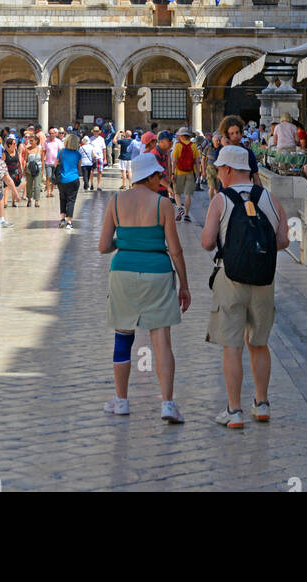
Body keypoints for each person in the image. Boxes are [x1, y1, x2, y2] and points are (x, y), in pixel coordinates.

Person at [201, 146, 289, 427]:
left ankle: (234, 410)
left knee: (232, 346)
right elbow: (284, 241)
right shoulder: (271, 200)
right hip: (264, 280)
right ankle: (262, 404)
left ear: (227, 170)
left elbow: (206, 242)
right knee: (259, 344)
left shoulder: (220, 201)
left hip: (231, 279)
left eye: (218, 170)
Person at [99, 152, 190, 422]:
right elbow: (175, 249)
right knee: (161, 341)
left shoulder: (115, 201)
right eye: (159, 176)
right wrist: (184, 285)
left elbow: (103, 246)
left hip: (123, 272)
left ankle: (121, 400)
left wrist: (125, 243)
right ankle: (167, 404)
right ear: (148, 177)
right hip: (158, 273)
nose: (161, 180)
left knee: (122, 338)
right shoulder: (163, 205)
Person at [219, 116, 261, 185]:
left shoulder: (248, 153)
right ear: (226, 135)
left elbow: (256, 176)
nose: (235, 136)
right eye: (232, 133)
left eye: (237, 132)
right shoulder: (221, 153)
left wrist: (260, 194)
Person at [56, 133, 82, 231]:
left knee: (62, 199)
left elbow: (56, 164)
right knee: (71, 201)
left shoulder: (61, 152)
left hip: (62, 179)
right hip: (73, 179)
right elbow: (79, 168)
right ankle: (69, 222)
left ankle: (62, 219)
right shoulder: (77, 154)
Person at [171, 128, 198, 222]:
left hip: (179, 172)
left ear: (182, 136)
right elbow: (196, 161)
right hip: (190, 173)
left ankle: (179, 208)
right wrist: (198, 173)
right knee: (187, 195)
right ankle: (186, 215)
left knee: (177, 193)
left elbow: (174, 160)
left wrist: (172, 173)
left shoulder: (178, 145)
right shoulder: (193, 146)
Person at [0, 135, 24, 215]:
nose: (15, 145)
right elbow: (1, 162)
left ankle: (13, 202)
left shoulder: (16, 151)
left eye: (15, 143)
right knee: (7, 186)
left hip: (15, 170)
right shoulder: (5, 153)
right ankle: (5, 202)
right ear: (9, 145)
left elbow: (19, 161)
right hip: (7, 171)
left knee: (15, 186)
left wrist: (21, 169)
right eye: (13, 143)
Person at [23, 133, 43, 207]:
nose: (30, 142)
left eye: (32, 140)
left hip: (38, 169)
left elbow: (42, 161)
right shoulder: (27, 150)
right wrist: (24, 169)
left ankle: (36, 201)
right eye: (29, 141)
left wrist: (43, 171)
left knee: (37, 185)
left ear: (36, 141)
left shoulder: (40, 150)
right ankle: (29, 200)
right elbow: (25, 160)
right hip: (29, 169)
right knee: (29, 185)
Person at [203, 131, 223, 201]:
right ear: (213, 141)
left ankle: (217, 202)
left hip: (219, 170)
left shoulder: (222, 148)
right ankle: (211, 202)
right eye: (216, 141)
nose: (218, 142)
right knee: (211, 187)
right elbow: (203, 159)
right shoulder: (208, 148)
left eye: (219, 141)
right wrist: (203, 171)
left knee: (217, 189)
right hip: (210, 169)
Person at [44, 128, 63, 197]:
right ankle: (48, 192)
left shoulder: (58, 142)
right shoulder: (46, 142)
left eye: (52, 133)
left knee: (53, 178)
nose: (51, 135)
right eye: (50, 133)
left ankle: (52, 191)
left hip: (56, 162)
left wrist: (58, 161)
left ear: (55, 134)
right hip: (48, 162)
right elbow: (44, 151)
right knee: (48, 177)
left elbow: (60, 152)